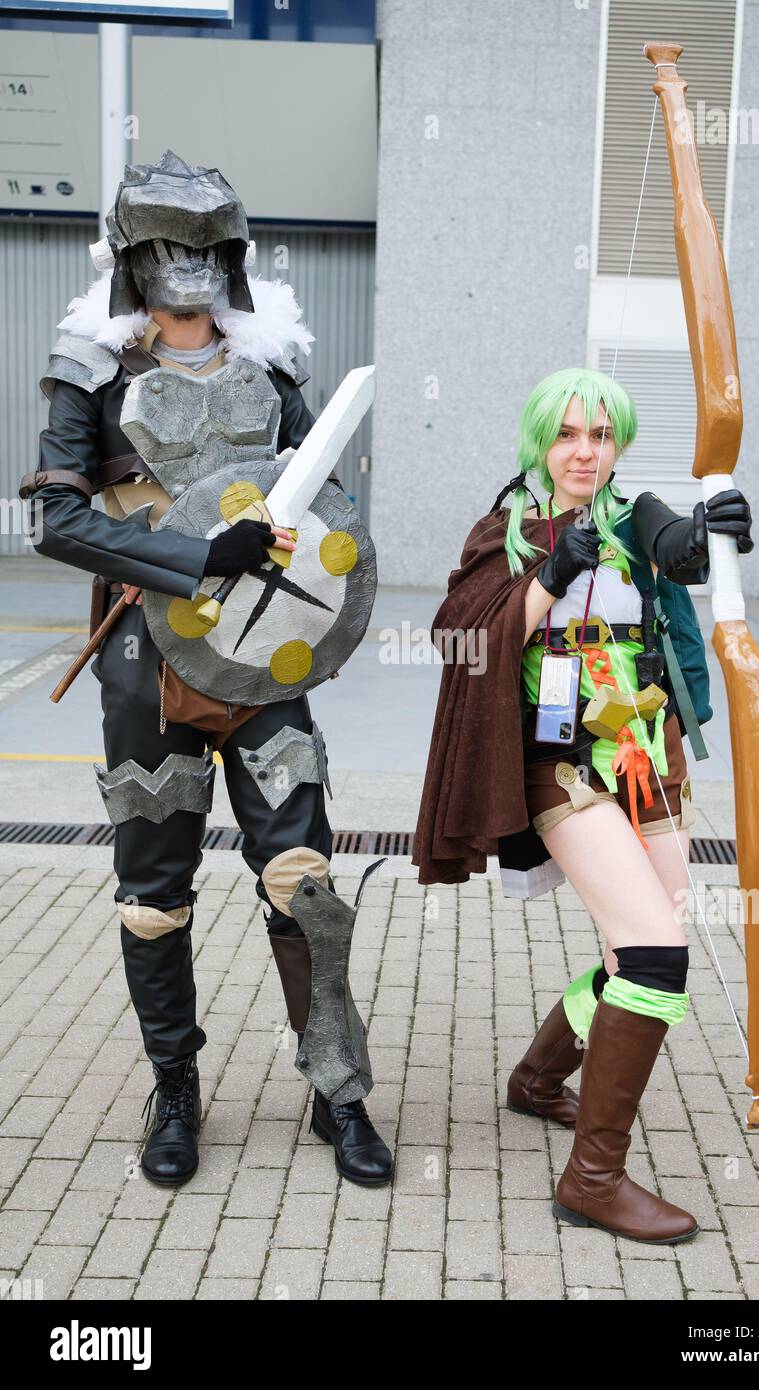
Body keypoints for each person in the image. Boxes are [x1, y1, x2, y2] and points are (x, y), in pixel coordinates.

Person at [20, 150, 392, 1189]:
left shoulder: (272, 366)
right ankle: (174, 1085)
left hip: (266, 662)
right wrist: (190, 557)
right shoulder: (87, 368)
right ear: (133, 254)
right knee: (154, 895)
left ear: (229, 253)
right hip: (148, 661)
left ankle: (336, 1087)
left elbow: (321, 504)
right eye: (165, 246)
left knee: (305, 881)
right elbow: (52, 519)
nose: (185, 265)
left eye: (203, 245)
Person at [413, 367, 754, 1242]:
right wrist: (548, 573)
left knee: (631, 950)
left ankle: (536, 1079)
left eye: (601, 436)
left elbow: (674, 549)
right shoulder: (509, 527)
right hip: (561, 763)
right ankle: (593, 1181)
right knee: (656, 954)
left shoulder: (632, 515)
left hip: (646, 753)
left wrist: (713, 532)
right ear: (540, 439)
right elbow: (463, 640)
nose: (584, 451)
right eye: (567, 433)